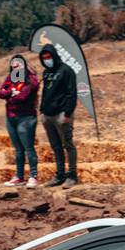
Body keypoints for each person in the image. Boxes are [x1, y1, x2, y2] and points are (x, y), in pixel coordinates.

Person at [38, 44, 78, 188]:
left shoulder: (67, 71)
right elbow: (45, 92)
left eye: (48, 57)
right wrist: (42, 110)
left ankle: (72, 176)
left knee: (68, 144)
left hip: (62, 114)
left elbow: (72, 93)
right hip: (47, 115)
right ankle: (59, 175)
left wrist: (67, 113)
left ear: (54, 55)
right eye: (44, 58)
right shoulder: (46, 72)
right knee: (56, 146)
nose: (47, 60)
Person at [0, 55, 40, 187]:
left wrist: (10, 95)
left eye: (18, 65)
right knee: (18, 149)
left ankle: (33, 176)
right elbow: (0, 92)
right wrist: (11, 92)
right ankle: (19, 177)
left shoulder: (31, 79)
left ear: (24, 65)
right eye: (13, 66)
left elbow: (23, 96)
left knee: (28, 147)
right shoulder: (11, 78)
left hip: (26, 117)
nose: (16, 68)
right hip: (11, 117)